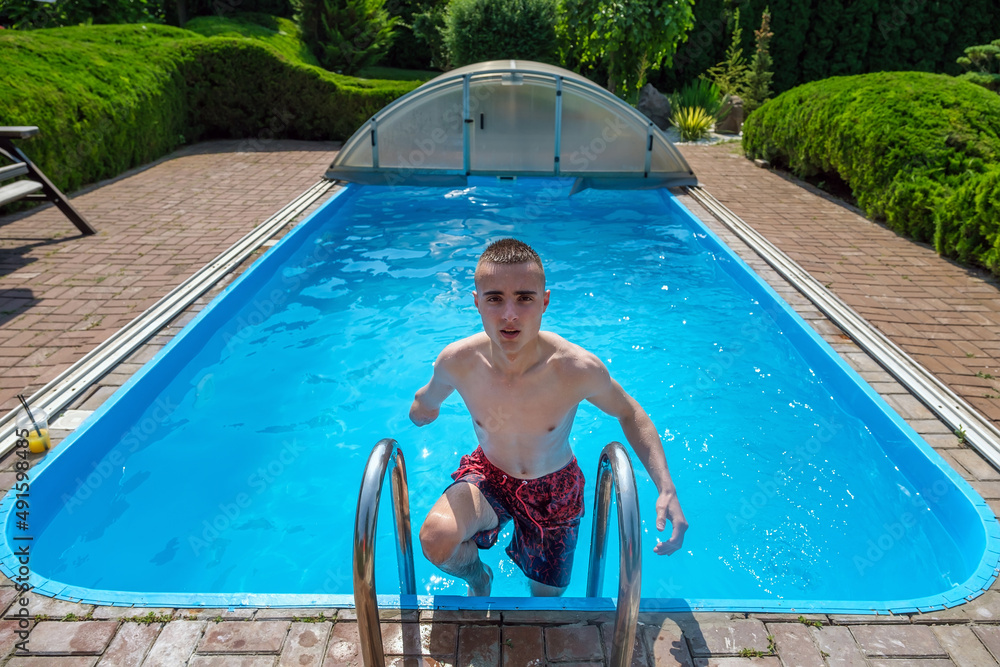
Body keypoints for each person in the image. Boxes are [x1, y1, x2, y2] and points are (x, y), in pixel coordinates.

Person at [410, 238, 687, 596]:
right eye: (495, 298)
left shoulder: (575, 368)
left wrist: (666, 486)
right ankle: (480, 579)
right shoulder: (458, 361)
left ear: (544, 302)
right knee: (436, 538)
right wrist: (422, 411)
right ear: (477, 302)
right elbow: (423, 403)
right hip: (490, 474)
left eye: (524, 298)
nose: (509, 314)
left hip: (553, 489)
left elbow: (630, 413)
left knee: (545, 599)